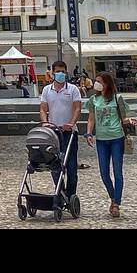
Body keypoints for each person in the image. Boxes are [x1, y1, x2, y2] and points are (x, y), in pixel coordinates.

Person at [85, 72, 136, 218]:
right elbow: (91, 119)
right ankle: (112, 197)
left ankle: (116, 204)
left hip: (116, 139)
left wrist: (130, 121)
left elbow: (123, 118)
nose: (97, 83)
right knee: (104, 173)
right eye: (96, 81)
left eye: (99, 81)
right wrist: (89, 133)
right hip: (101, 140)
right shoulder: (94, 99)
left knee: (118, 172)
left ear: (107, 83)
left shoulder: (117, 98)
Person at [38, 60, 81, 202]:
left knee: (71, 167)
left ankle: (71, 196)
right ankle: (60, 193)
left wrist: (71, 123)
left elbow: (77, 108)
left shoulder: (73, 89)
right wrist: (45, 122)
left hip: (69, 132)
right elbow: (43, 108)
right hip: (53, 132)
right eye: (58, 71)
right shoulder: (46, 90)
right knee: (55, 165)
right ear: (53, 72)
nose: (60, 74)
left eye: (63, 71)